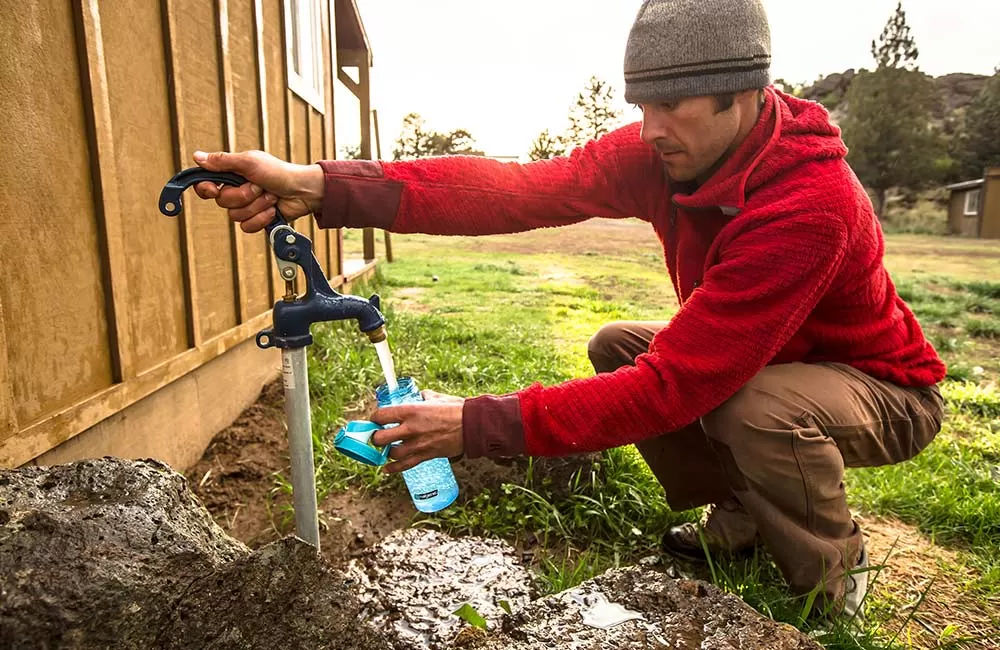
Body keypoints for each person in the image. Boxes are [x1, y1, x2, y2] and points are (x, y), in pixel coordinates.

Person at [190, 0, 945, 618]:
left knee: (749, 406)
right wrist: (321, 183)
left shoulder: (809, 204)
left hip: (880, 386)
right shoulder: (664, 154)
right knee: (622, 345)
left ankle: (834, 584)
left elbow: (675, 389)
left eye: (672, 105)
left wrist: (473, 424)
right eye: (641, 106)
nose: (650, 130)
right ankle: (742, 515)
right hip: (774, 361)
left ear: (746, 92)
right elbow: (512, 191)